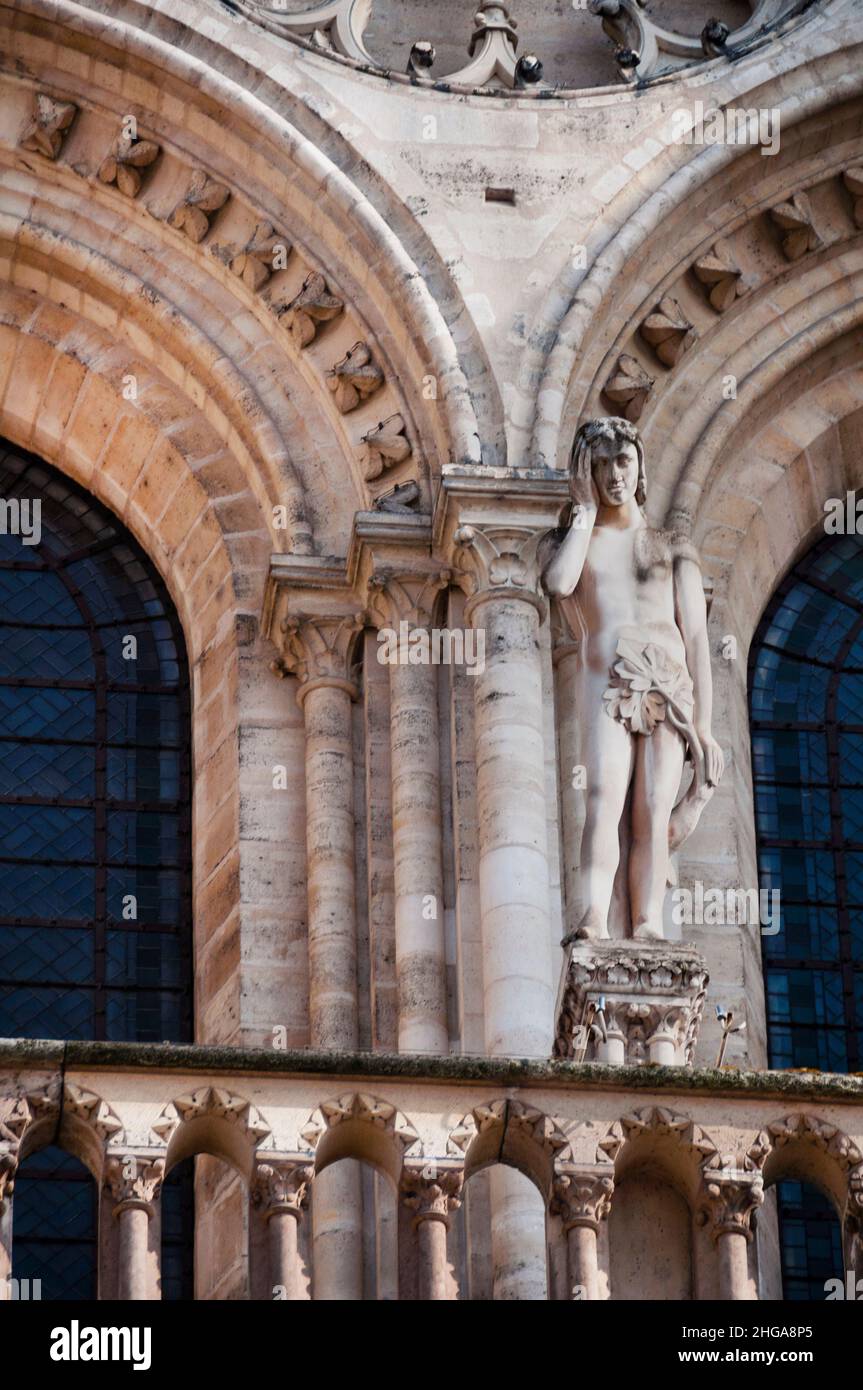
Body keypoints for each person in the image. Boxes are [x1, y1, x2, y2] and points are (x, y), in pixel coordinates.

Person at [542, 416, 723, 941]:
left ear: (639, 464)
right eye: (600, 465)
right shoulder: (572, 544)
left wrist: (705, 727)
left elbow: (695, 642)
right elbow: (559, 584)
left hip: (668, 686)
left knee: (651, 809)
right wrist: (583, 514)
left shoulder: (672, 547)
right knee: (603, 796)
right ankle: (596, 916)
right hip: (608, 682)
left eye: (623, 461)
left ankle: (647, 922)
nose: (614, 475)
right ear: (587, 473)